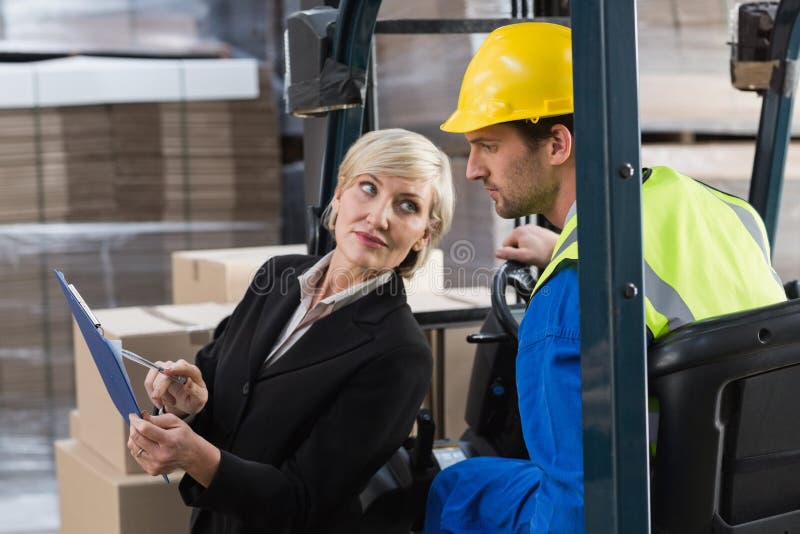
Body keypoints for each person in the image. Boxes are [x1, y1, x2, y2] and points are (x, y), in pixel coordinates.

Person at [424, 22, 786, 533]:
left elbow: (577, 514)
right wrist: (565, 249)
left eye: (487, 146)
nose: (472, 170)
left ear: (556, 143)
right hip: (748, 502)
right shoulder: (726, 212)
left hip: (648, 507)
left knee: (459, 485)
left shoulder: (567, 305)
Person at [126, 127, 455, 534]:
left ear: (423, 234)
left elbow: (304, 502)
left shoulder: (400, 354)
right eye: (368, 188)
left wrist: (195, 457)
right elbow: (215, 381)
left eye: (407, 206)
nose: (378, 216)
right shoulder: (277, 276)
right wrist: (187, 404)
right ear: (339, 194)